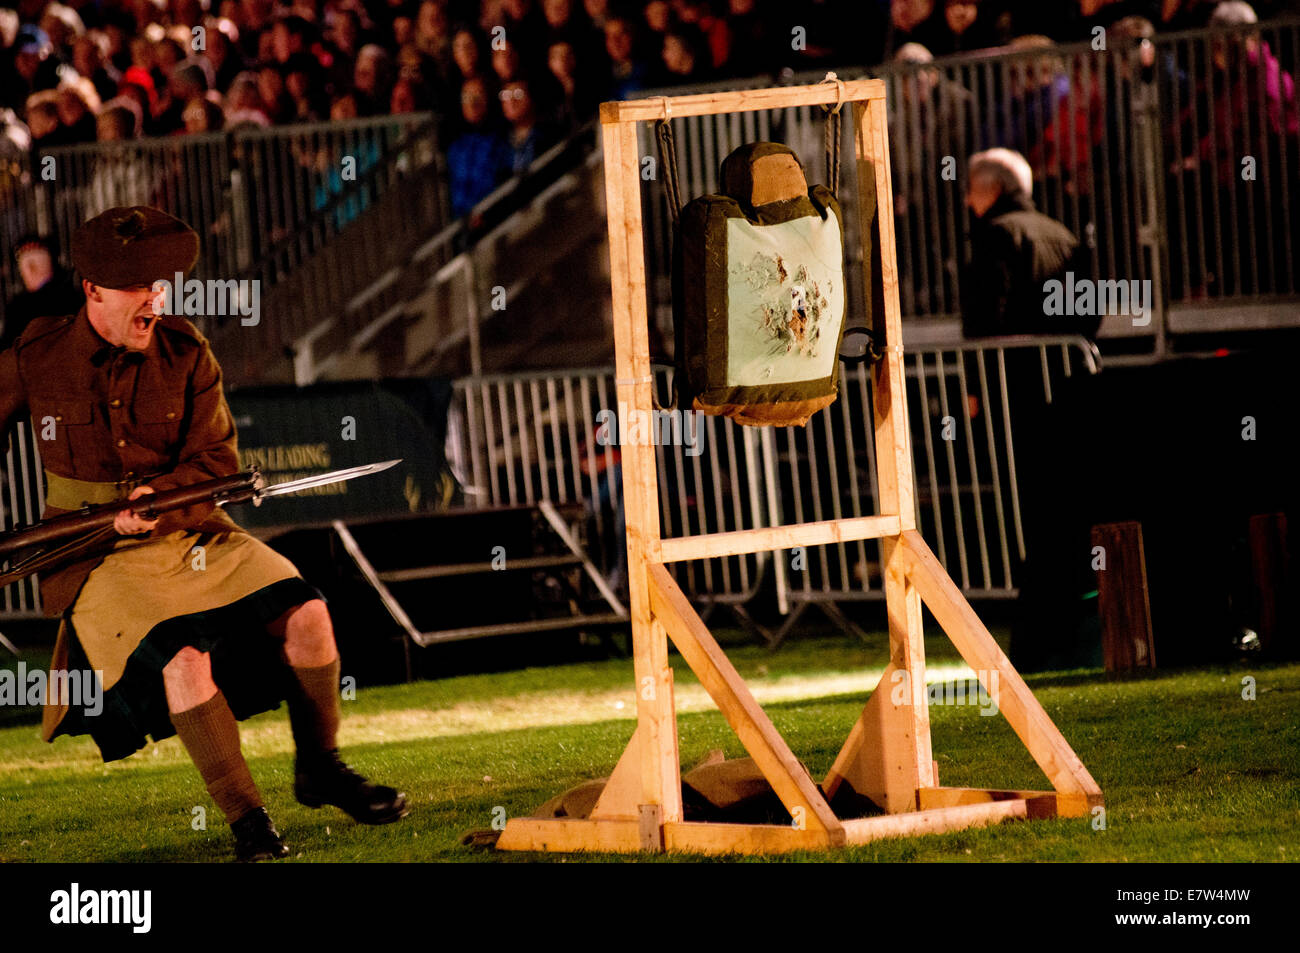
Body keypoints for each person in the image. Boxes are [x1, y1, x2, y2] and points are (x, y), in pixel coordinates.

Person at [0, 206, 408, 861]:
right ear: (93, 289)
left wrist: (157, 499)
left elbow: (218, 460)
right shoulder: (37, 355)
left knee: (309, 615)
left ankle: (321, 767)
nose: (156, 298)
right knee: (183, 657)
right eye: (139, 286)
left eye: (161, 283)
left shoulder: (186, 350)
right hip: (98, 556)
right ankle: (250, 821)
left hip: (193, 531)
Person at [960, 148, 1097, 338]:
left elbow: (985, 315)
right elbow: (1088, 307)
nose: (968, 200)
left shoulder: (996, 235)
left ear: (995, 187)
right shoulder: (1063, 235)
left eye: (971, 188)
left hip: (1012, 363)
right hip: (1065, 361)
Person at [2, 235, 84, 351]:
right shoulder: (17, 306)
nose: (31, 268)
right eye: (25, 260)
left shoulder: (66, 298)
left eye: (37, 259)